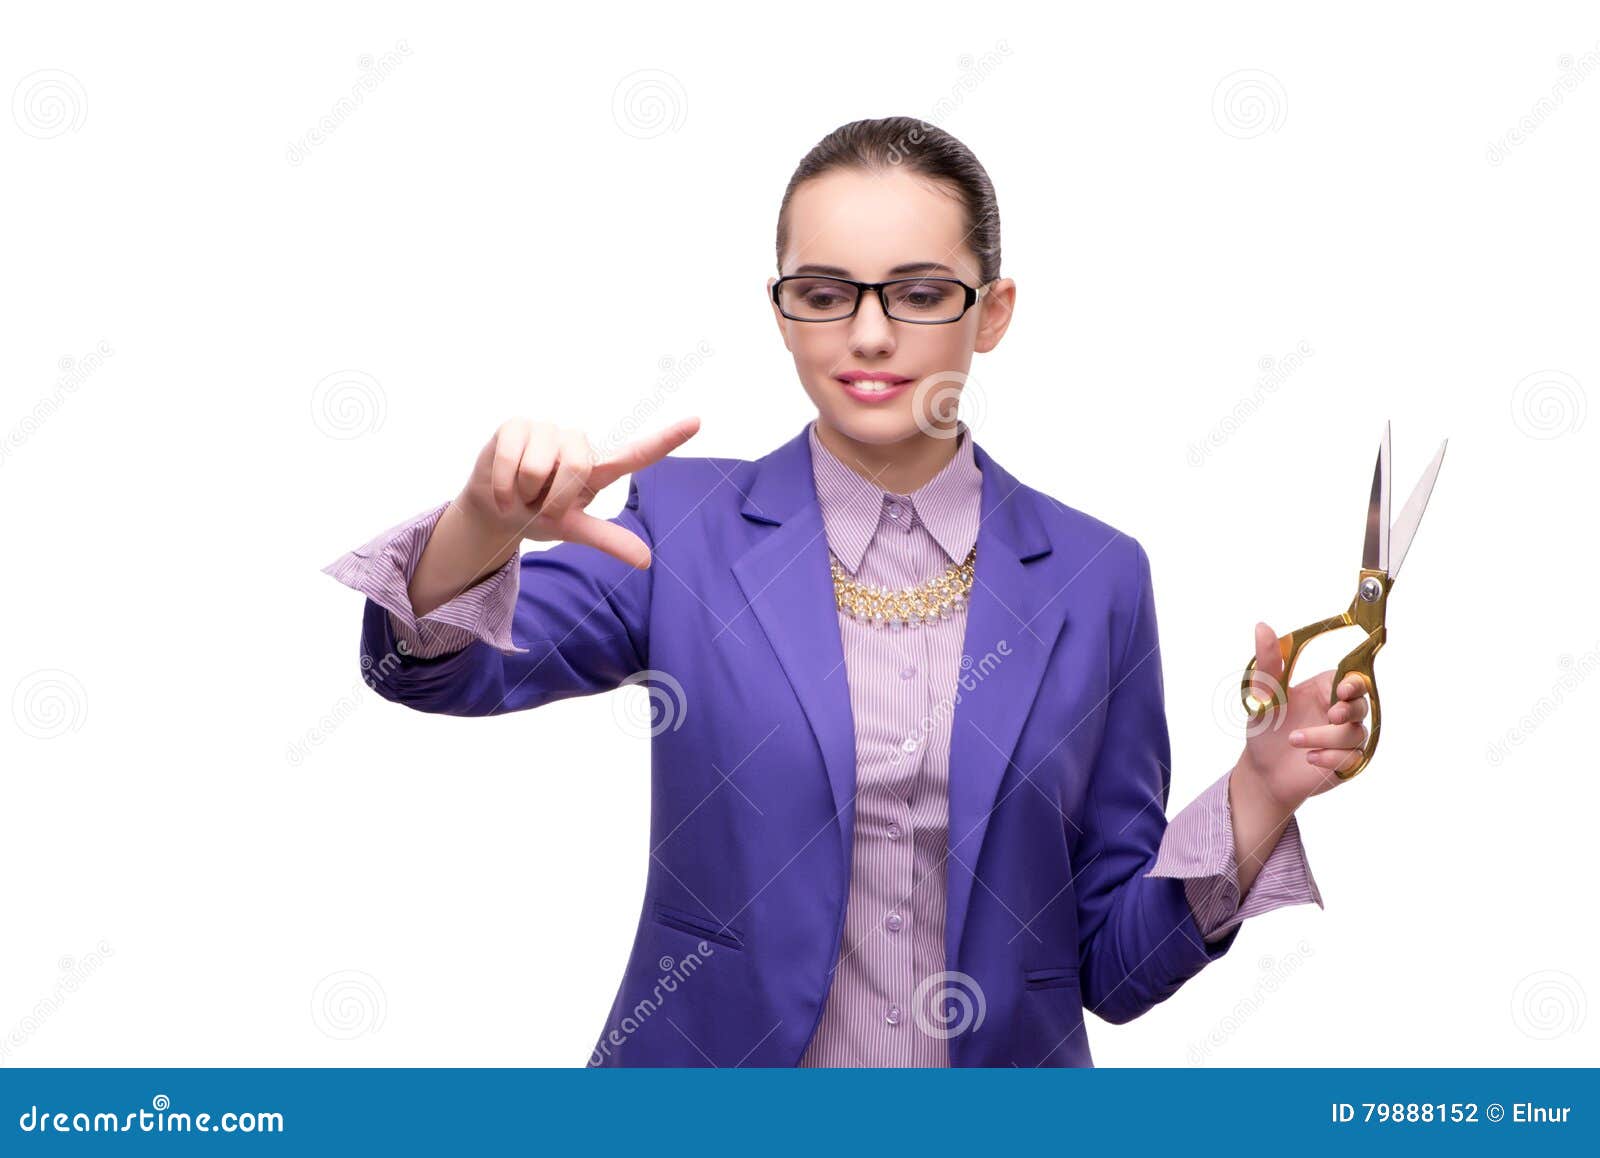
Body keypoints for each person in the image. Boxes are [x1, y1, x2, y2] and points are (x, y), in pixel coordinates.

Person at [322, 116, 1366, 1067]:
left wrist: (1258, 792)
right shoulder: (687, 533)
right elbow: (419, 668)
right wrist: (483, 523)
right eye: (824, 294)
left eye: (917, 293)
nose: (867, 336)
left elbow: (1113, 971)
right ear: (782, 314)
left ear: (990, 312)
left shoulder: (1096, 578)